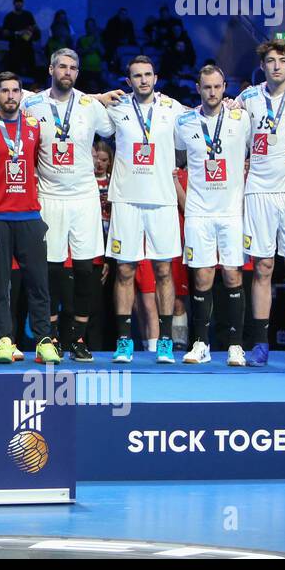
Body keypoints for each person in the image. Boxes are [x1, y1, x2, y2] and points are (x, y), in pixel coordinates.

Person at [21, 49, 115, 362]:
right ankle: (50, 338)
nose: (68, 72)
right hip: (48, 196)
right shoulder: (31, 103)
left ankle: (77, 338)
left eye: (73, 68)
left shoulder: (90, 105)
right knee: (50, 271)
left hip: (84, 197)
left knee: (86, 269)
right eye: (62, 66)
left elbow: (114, 130)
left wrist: (100, 97)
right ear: (51, 68)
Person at [0, 71, 56, 364]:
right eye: (5, 91)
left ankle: (43, 341)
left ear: (21, 94)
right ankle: (4, 340)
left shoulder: (33, 127)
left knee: (38, 283)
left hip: (29, 215)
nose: (11, 96)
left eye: (16, 90)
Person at [237, 42, 285, 367]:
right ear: (262, 66)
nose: (276, 67)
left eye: (282, 61)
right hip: (257, 192)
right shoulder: (247, 98)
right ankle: (260, 344)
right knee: (263, 269)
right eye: (270, 61)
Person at [106, 55, 185, 364]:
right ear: (128, 80)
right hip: (126, 200)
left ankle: (165, 341)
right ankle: (124, 341)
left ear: (156, 77)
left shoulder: (174, 109)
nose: (143, 80)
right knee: (125, 270)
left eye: (148, 74)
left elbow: (205, 116)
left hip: (163, 200)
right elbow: (82, 109)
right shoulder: (116, 108)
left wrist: (233, 106)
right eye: (136, 75)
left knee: (164, 270)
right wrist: (99, 97)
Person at [174, 65, 252, 365]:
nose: (213, 92)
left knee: (233, 276)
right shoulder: (184, 123)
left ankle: (235, 345)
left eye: (218, 87)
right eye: (207, 87)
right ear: (198, 88)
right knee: (202, 277)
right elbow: (176, 157)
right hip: (198, 212)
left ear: (224, 87)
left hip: (231, 211)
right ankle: (200, 344)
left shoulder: (241, 118)